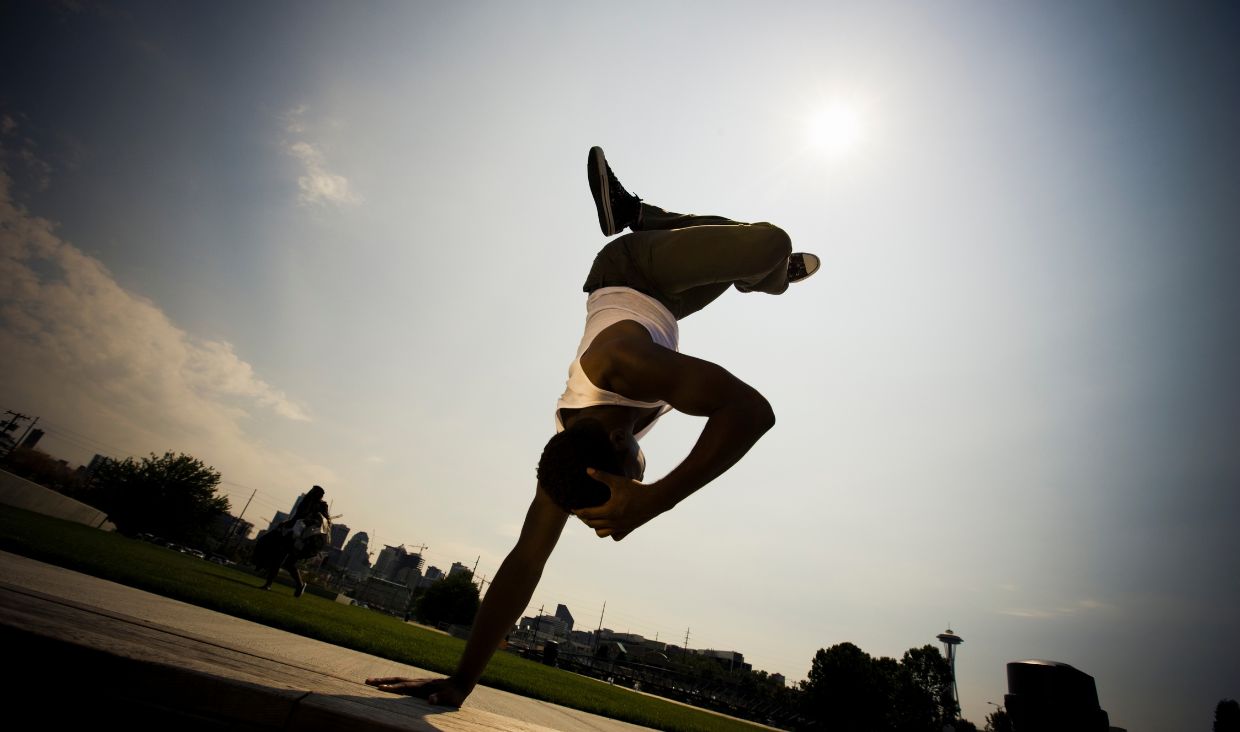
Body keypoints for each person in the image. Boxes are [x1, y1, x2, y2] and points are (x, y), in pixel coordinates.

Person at [365, 148, 819, 705]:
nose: (642, 469)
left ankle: (643, 217)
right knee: (737, 250)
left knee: (765, 242)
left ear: (616, 442)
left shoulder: (625, 366)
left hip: (632, 270)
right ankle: (767, 278)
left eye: (634, 472)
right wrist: (459, 683)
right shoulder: (569, 464)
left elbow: (754, 412)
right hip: (670, 306)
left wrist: (654, 500)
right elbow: (524, 563)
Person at [256, 485, 330, 597]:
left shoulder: (322, 505)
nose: (312, 493)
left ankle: (299, 585)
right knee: (278, 558)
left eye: (315, 493)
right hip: (291, 532)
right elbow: (296, 517)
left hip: (304, 537)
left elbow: (325, 521)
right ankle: (268, 583)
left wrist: (313, 520)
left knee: (288, 563)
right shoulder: (305, 502)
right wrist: (286, 523)